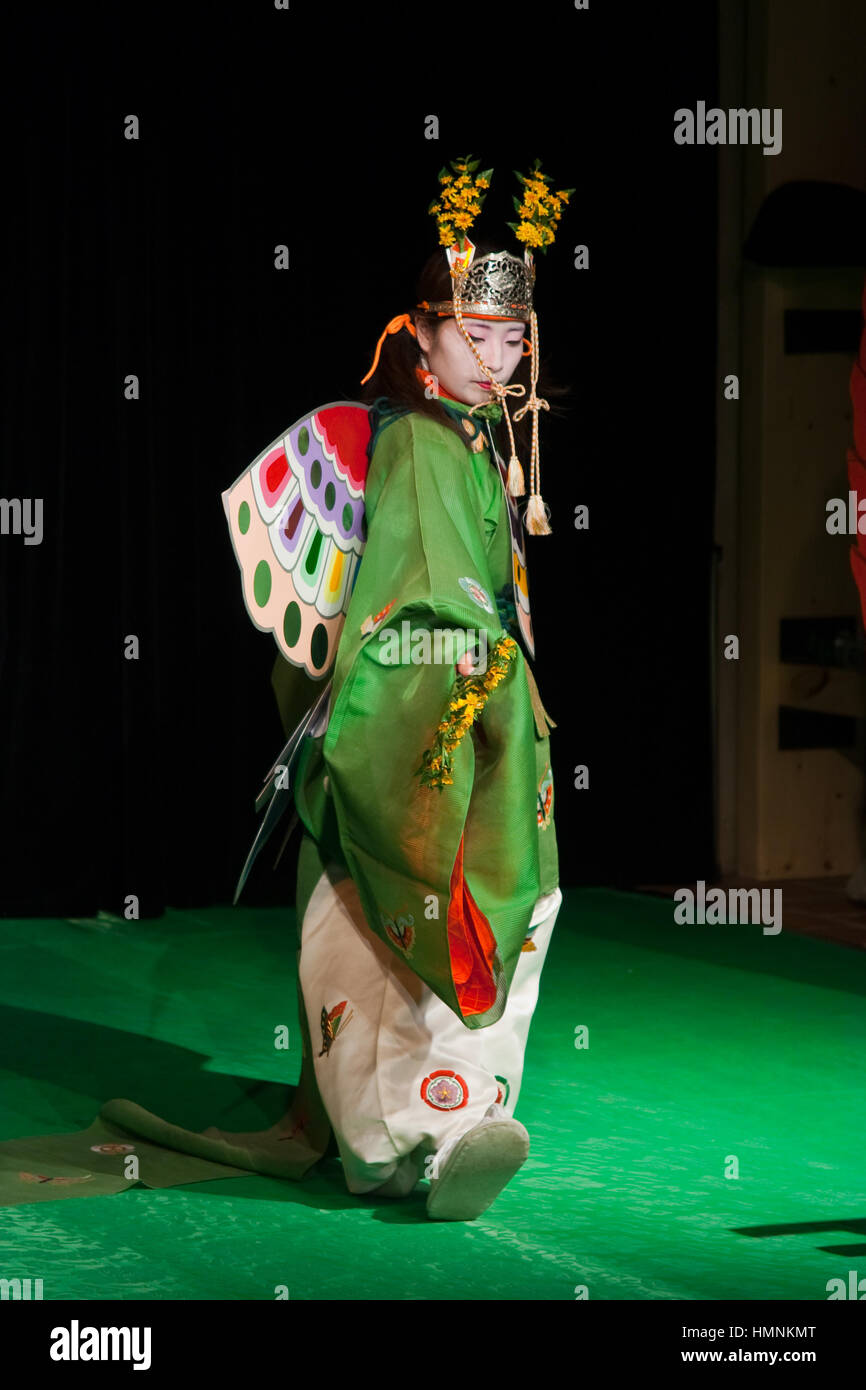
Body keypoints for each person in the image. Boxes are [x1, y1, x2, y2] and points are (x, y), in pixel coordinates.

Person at [273, 157, 571, 1220]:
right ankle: (401, 1146)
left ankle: (457, 1133)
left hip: (478, 719)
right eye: (472, 336)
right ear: (419, 332)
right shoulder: (413, 446)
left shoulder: (471, 440)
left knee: (499, 919)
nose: (496, 358)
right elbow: (411, 601)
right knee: (389, 932)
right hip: (421, 723)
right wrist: (462, 689)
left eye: (512, 338)